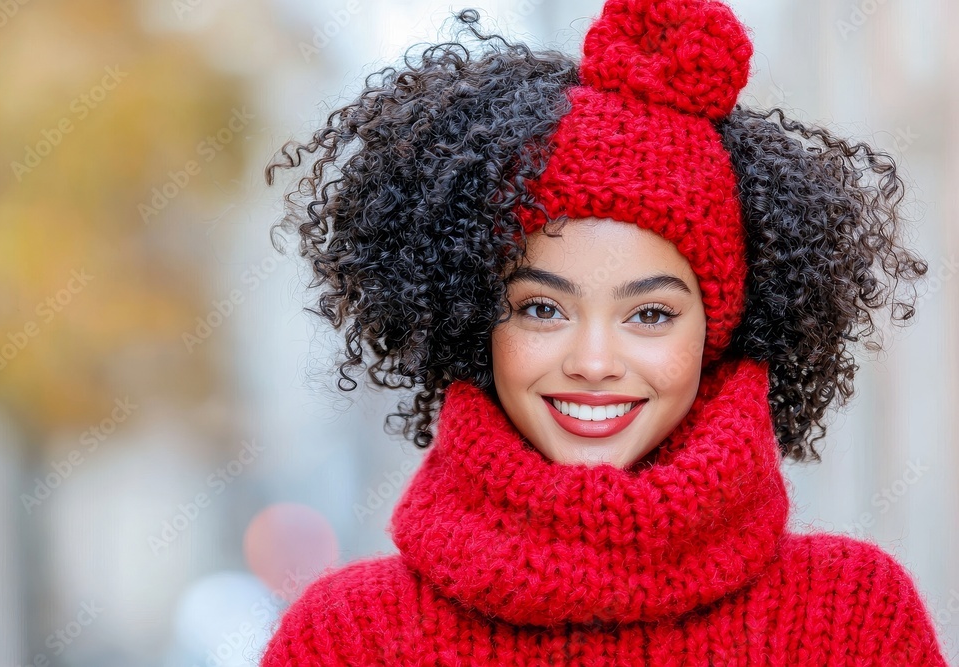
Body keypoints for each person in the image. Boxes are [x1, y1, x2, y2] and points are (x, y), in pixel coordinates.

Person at [260, 0, 949, 663]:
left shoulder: (852, 617)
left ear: (717, 332)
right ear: (475, 315)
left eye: (649, 314)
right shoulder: (346, 638)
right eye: (542, 308)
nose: (593, 361)